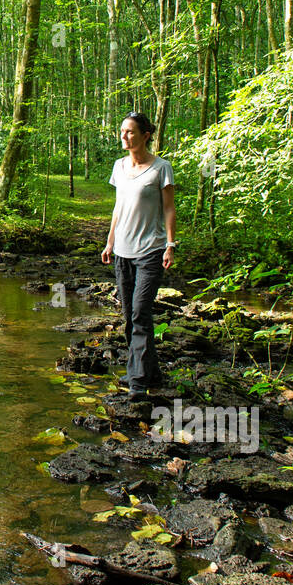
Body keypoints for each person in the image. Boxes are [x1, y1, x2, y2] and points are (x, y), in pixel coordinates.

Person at [101, 112, 177, 400]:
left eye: (130, 132)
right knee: (129, 317)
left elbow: (169, 208)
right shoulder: (119, 167)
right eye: (122, 131)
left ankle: (137, 382)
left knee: (140, 313)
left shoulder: (161, 168)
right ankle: (150, 373)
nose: (124, 136)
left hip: (151, 250)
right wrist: (109, 243)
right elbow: (118, 209)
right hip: (122, 251)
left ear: (145, 135)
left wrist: (171, 244)